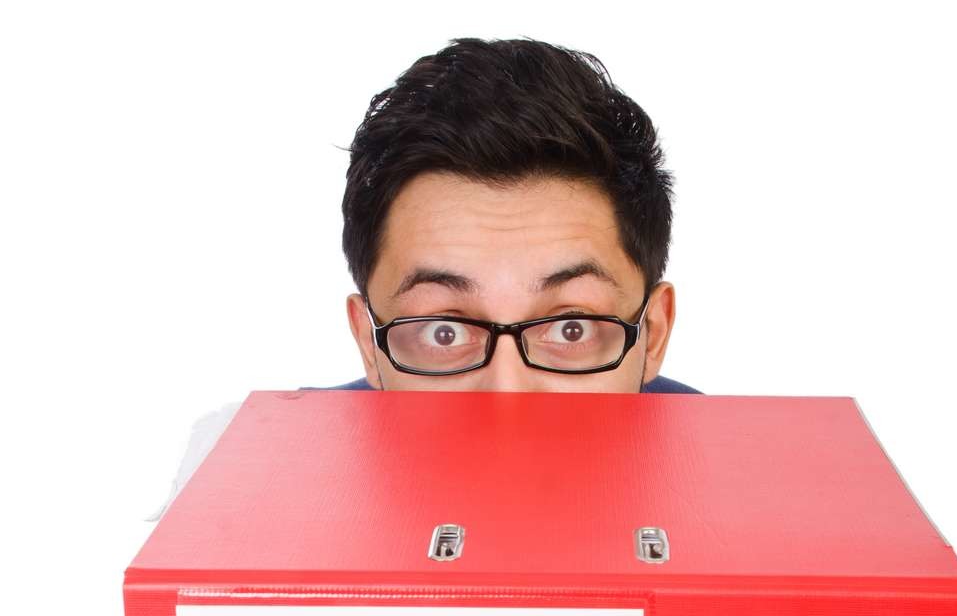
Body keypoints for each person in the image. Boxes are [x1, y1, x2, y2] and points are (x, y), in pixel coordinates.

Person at [159, 38, 698, 511]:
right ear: (369, 344)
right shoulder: (233, 485)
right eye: (445, 333)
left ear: (652, 334)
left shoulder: (768, 509)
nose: (506, 401)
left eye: (571, 329)